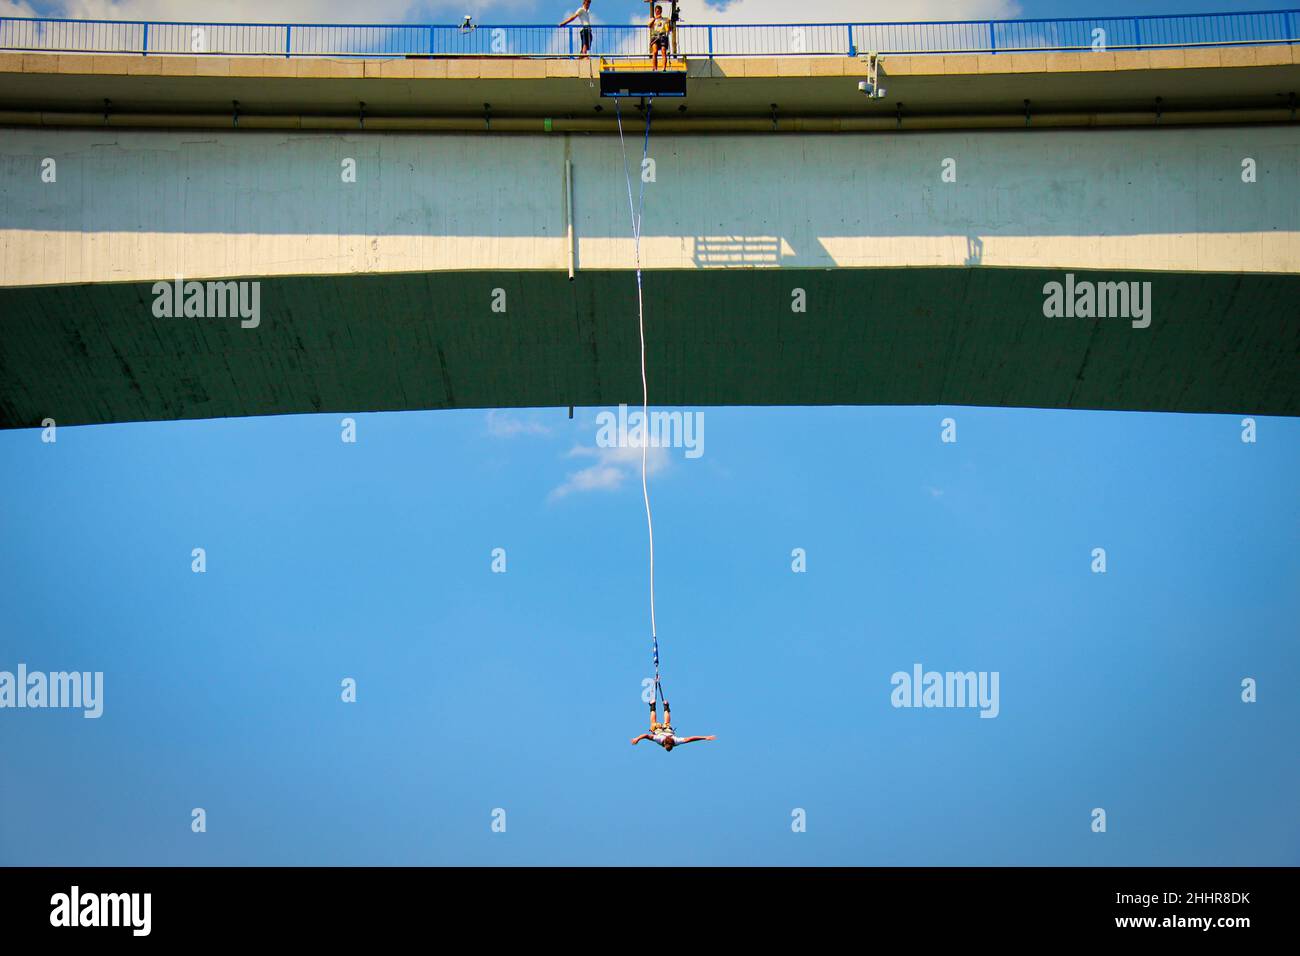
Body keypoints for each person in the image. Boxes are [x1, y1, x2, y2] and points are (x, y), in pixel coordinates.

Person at [630, 694, 715, 751]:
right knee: (654, 723)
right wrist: (637, 739)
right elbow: (646, 736)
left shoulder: (676, 741)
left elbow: (690, 738)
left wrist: (705, 737)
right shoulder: (660, 740)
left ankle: (666, 706)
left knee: (666, 723)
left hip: (667, 730)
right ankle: (653, 705)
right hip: (659, 730)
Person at [648, 4, 672, 71]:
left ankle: (664, 67)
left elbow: (669, 29)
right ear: (655, 11)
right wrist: (655, 19)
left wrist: (669, 23)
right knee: (655, 51)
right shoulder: (652, 19)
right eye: (657, 11)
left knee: (663, 51)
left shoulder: (665, 19)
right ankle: (654, 68)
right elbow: (649, 26)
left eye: (659, 11)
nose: (658, 12)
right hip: (655, 36)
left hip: (662, 36)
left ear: (661, 11)